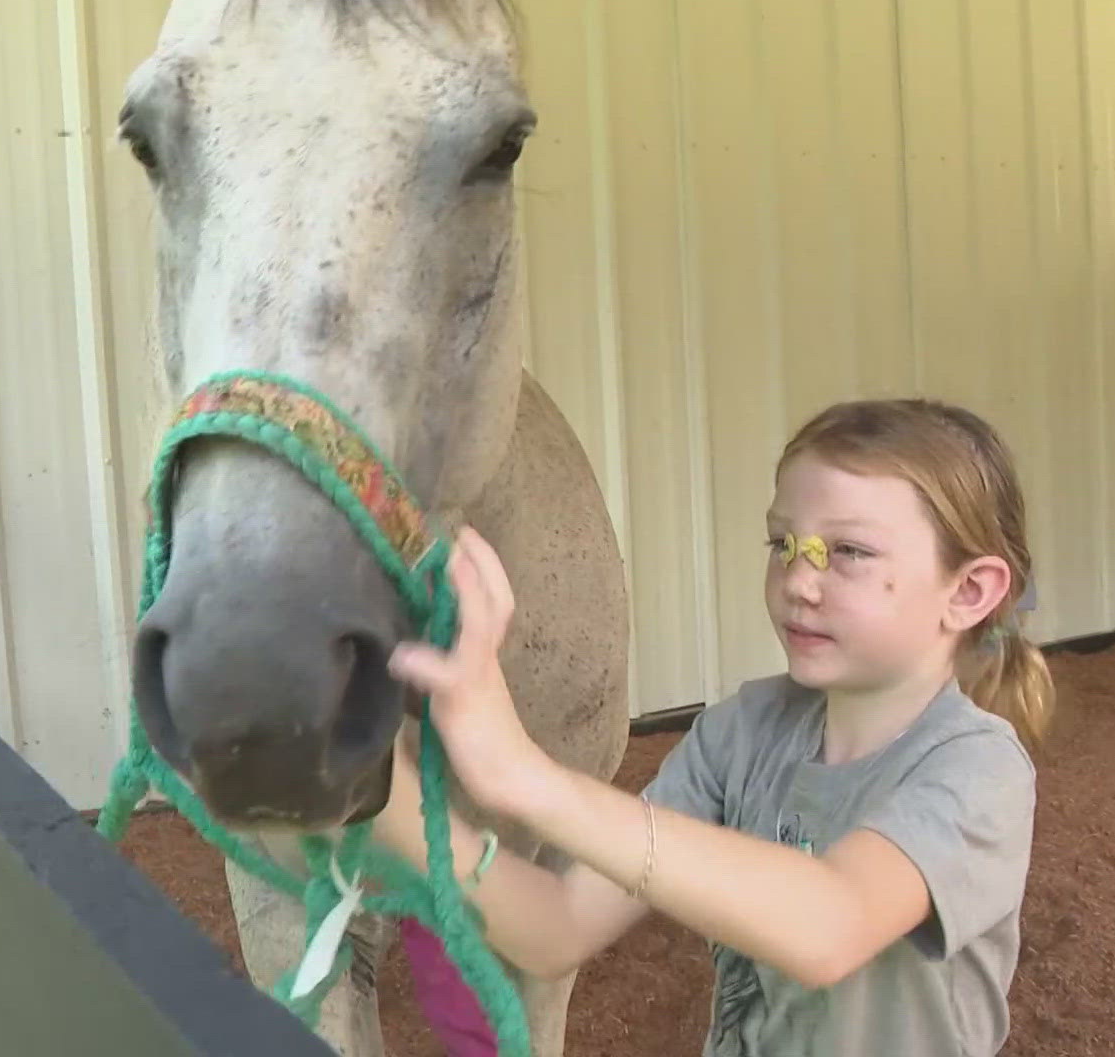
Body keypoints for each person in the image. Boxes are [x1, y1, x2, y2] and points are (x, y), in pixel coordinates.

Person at [373, 397, 1054, 1056]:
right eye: (783, 542)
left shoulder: (979, 769)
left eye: (847, 550)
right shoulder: (740, 733)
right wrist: (382, 793)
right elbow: (555, 928)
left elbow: (830, 926)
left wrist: (524, 777)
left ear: (969, 593)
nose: (799, 580)